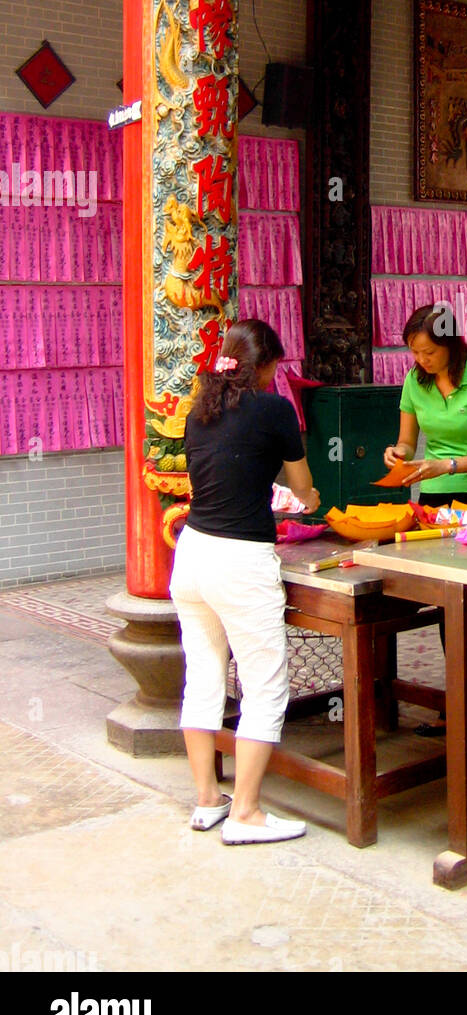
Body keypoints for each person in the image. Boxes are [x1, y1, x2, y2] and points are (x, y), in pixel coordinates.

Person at [169, 319, 321, 844]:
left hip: (191, 556)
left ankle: (209, 799)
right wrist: (309, 499)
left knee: (205, 675)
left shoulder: (198, 412)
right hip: (240, 561)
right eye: (275, 367)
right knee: (264, 685)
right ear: (265, 367)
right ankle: (248, 814)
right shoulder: (274, 409)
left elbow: (217, 479)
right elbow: (301, 489)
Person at [384, 302, 467, 728]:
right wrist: (397, 454)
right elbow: (407, 441)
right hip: (434, 502)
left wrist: (449, 466)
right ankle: (458, 705)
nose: (421, 360)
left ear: (451, 345)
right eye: (415, 353)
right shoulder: (413, 382)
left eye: (429, 352)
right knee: (448, 600)